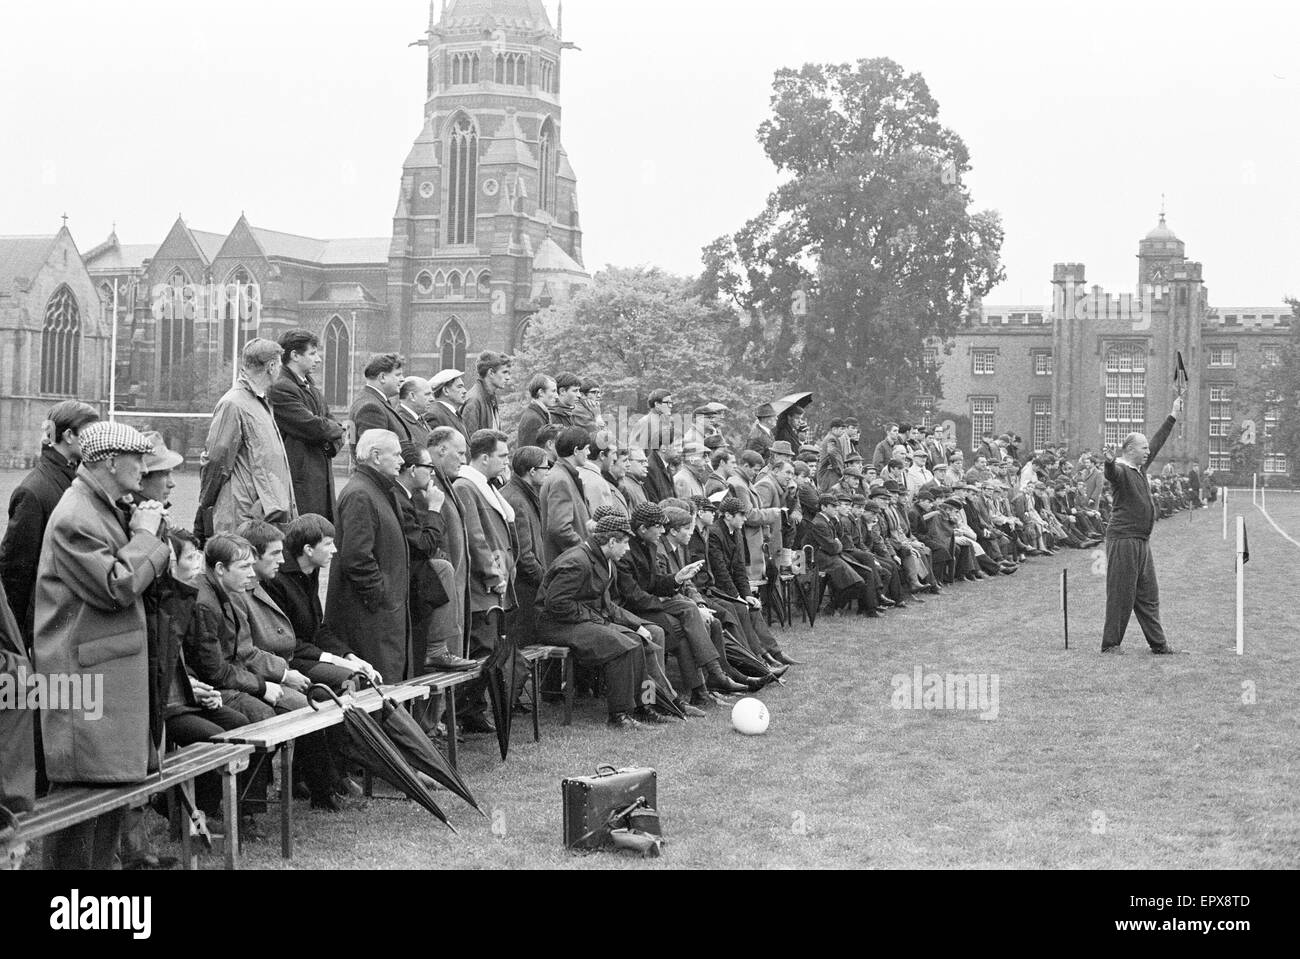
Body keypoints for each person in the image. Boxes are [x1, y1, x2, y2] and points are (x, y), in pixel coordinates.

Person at [33, 422, 169, 869]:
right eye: (139, 458)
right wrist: (146, 536)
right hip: (83, 687)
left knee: (107, 796)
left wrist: (144, 532)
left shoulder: (101, 506)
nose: (146, 467)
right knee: (79, 808)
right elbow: (116, 585)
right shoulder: (77, 517)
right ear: (111, 462)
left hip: (101, 683)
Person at [533, 513, 658, 729]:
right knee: (621, 646)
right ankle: (619, 716)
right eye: (625, 543)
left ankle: (646, 705)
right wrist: (595, 619)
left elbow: (607, 605)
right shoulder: (578, 561)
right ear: (611, 542)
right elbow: (557, 605)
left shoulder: (602, 560)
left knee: (639, 641)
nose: (628, 549)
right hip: (556, 625)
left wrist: (637, 625)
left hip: (578, 620)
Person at [1, 400, 100, 649]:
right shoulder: (34, 491)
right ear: (68, 436)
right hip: (40, 628)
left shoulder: (75, 479)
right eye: (90, 433)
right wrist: (17, 644)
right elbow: (16, 574)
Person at [326, 430, 412, 681]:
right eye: (395, 454)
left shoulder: (378, 489)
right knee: (377, 687)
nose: (402, 461)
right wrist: (381, 595)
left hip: (382, 615)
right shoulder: (361, 494)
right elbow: (356, 557)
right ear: (376, 456)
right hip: (369, 617)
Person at [1101, 397, 1184, 655]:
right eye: (1143, 448)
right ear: (1128, 450)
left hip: (1141, 541)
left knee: (1148, 595)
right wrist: (1107, 462)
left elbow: (1158, 442)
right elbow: (1111, 474)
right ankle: (1110, 644)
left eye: (1148, 448)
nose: (1148, 451)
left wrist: (1172, 415)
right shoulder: (1121, 470)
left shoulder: (1140, 468)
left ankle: (1159, 645)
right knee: (1121, 594)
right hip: (1123, 539)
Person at [453, 429, 518, 735]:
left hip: (494, 582)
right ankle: (465, 712)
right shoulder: (468, 486)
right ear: (483, 457)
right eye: (502, 456)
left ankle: (473, 711)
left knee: (489, 649)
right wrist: (494, 575)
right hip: (484, 585)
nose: (506, 462)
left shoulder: (483, 485)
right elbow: (476, 538)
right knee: (482, 650)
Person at [199, 339, 298, 536]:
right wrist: (206, 504)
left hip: (262, 513)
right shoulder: (234, 404)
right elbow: (216, 459)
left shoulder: (259, 401)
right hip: (242, 515)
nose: (280, 369)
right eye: (279, 364)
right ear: (271, 367)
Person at [268, 330, 345, 523]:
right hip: (300, 484)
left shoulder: (309, 385)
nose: (318, 360)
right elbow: (314, 427)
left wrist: (332, 441)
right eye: (312, 353)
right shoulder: (281, 387)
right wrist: (335, 431)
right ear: (294, 355)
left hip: (317, 478)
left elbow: (331, 425)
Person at [502, 446, 549, 647]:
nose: (548, 471)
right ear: (532, 471)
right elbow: (524, 555)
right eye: (546, 467)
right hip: (524, 591)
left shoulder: (522, 494)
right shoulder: (517, 500)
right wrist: (545, 582)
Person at [539, 426, 594, 566]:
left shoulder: (561, 475)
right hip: (569, 564)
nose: (588, 453)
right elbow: (559, 528)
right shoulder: (561, 480)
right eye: (586, 448)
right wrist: (584, 550)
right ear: (576, 451)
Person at [349, 353, 410, 456]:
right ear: (382, 377)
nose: (402, 379)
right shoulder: (371, 407)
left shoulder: (372, 400)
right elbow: (375, 457)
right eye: (398, 375)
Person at [460, 352, 511, 436]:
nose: (508, 377)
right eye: (504, 372)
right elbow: (470, 442)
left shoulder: (490, 397)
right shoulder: (474, 401)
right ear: (491, 372)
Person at [425, 369, 471, 442]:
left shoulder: (453, 413)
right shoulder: (434, 415)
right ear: (446, 391)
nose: (465, 391)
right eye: (459, 387)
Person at [516, 374, 557, 449]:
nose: (557, 396)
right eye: (553, 391)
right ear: (541, 392)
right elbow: (531, 455)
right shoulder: (533, 419)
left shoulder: (539, 414)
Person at [397, 376, 434, 450]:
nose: (432, 399)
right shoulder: (399, 421)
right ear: (412, 396)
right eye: (427, 394)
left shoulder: (420, 418)